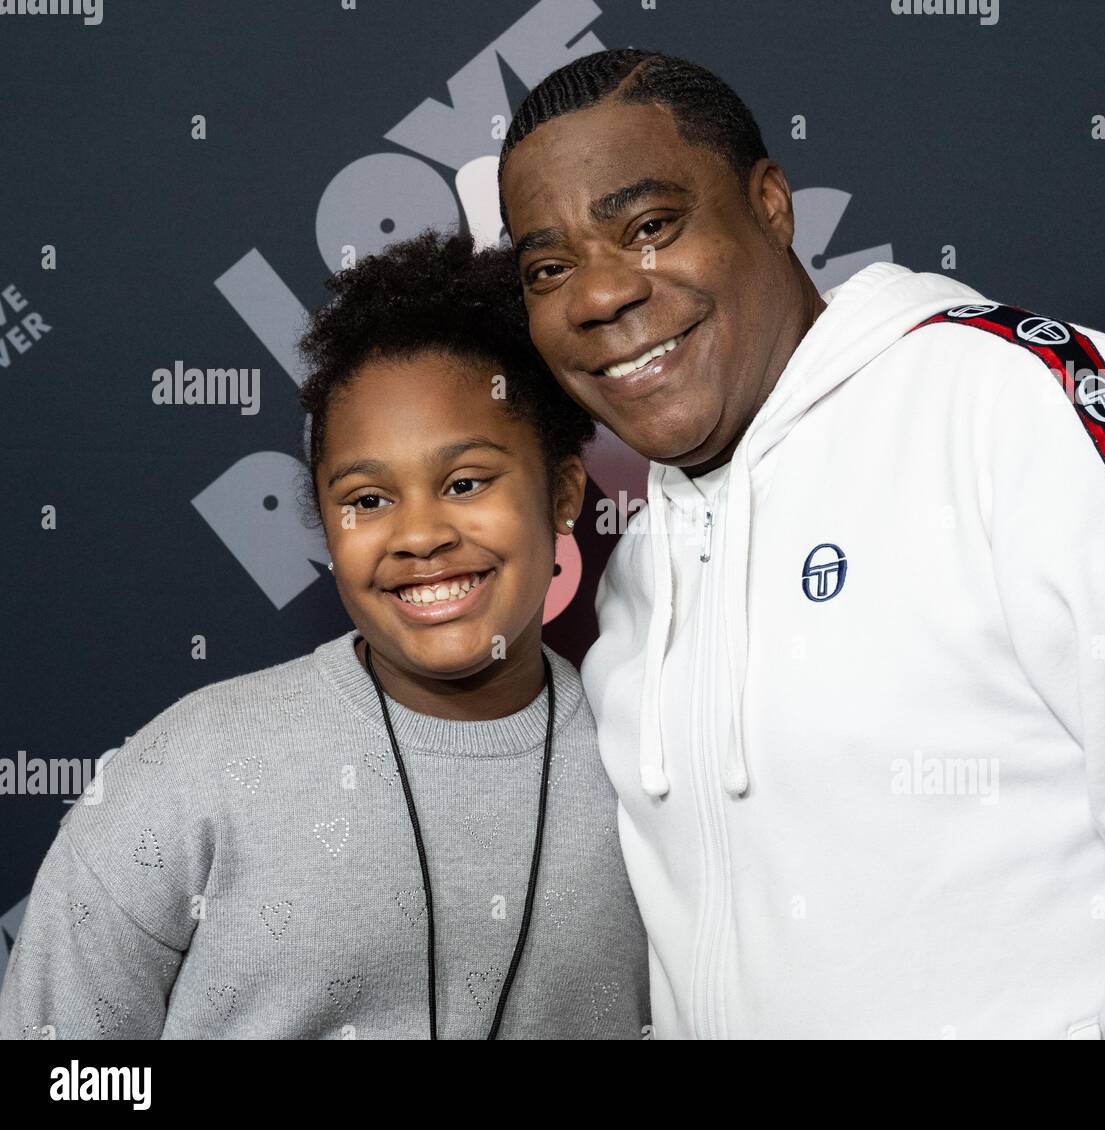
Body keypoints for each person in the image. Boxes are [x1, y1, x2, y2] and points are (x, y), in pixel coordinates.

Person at [496, 48, 1105, 1039]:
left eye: (651, 227)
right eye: (548, 268)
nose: (599, 295)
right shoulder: (641, 584)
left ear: (770, 204)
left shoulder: (1014, 406)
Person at [0, 229, 650, 1040]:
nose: (419, 534)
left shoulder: (646, 766)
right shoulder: (192, 766)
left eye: (464, 482)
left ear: (561, 494)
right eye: (368, 499)